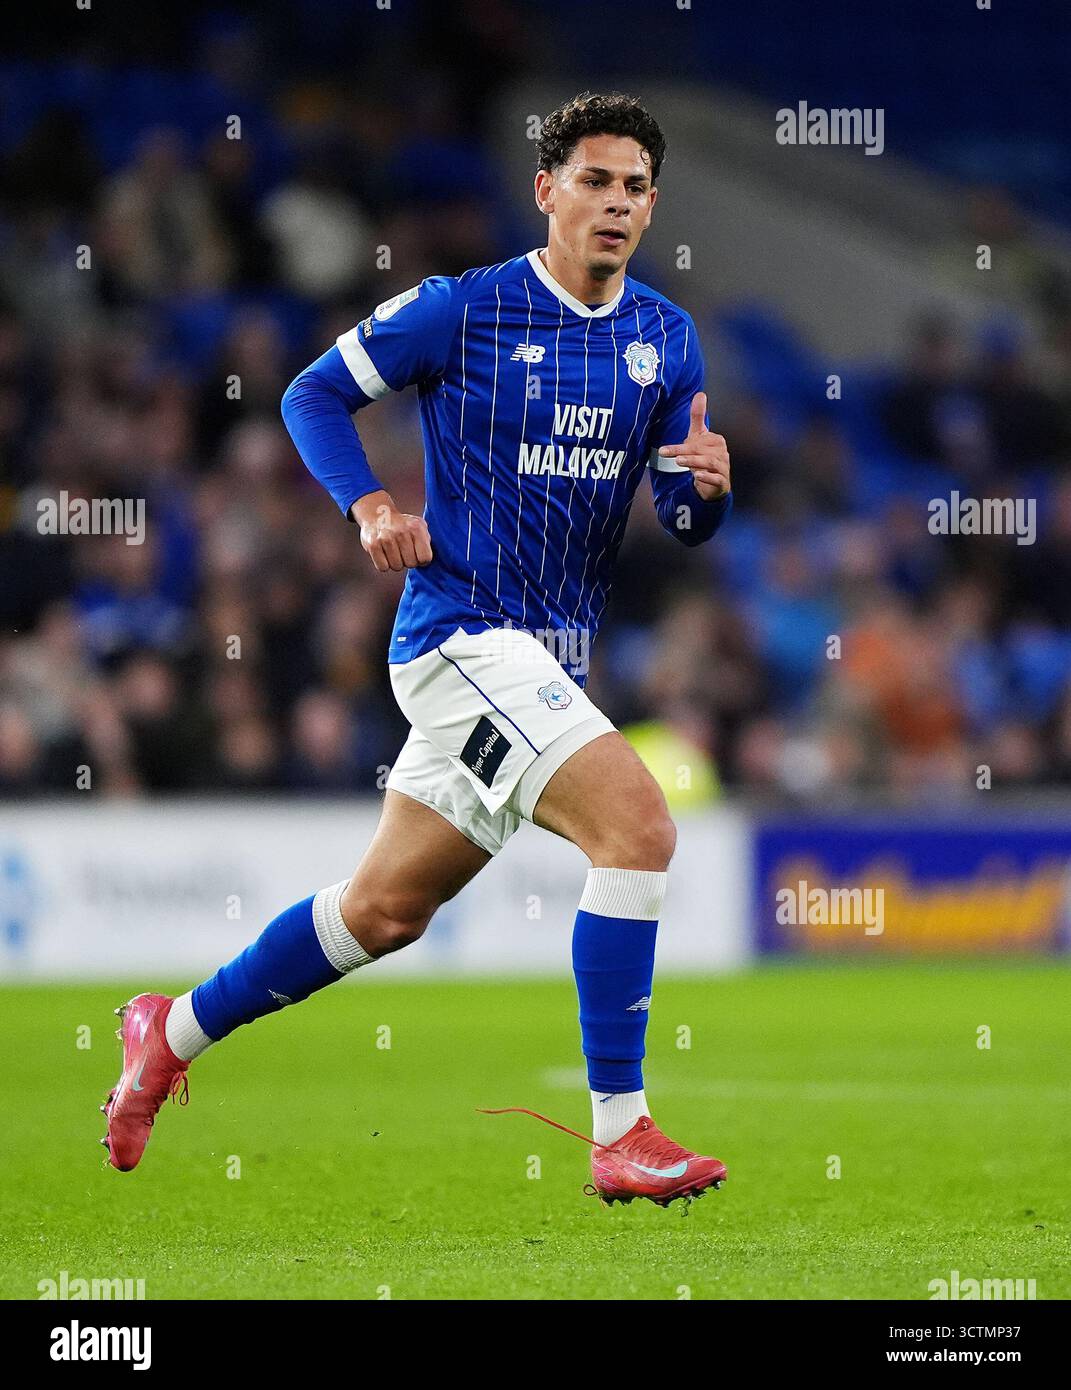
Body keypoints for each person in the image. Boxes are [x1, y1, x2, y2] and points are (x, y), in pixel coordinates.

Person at [102, 92, 733, 1207]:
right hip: (458, 641)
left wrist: (702, 499)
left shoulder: (665, 340)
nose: (617, 204)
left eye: (636, 186)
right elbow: (312, 395)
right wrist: (368, 506)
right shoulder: (465, 308)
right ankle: (621, 1132)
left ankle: (172, 1029)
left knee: (383, 912)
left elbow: (680, 518)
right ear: (546, 189)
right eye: (595, 180)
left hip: (547, 665)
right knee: (638, 828)